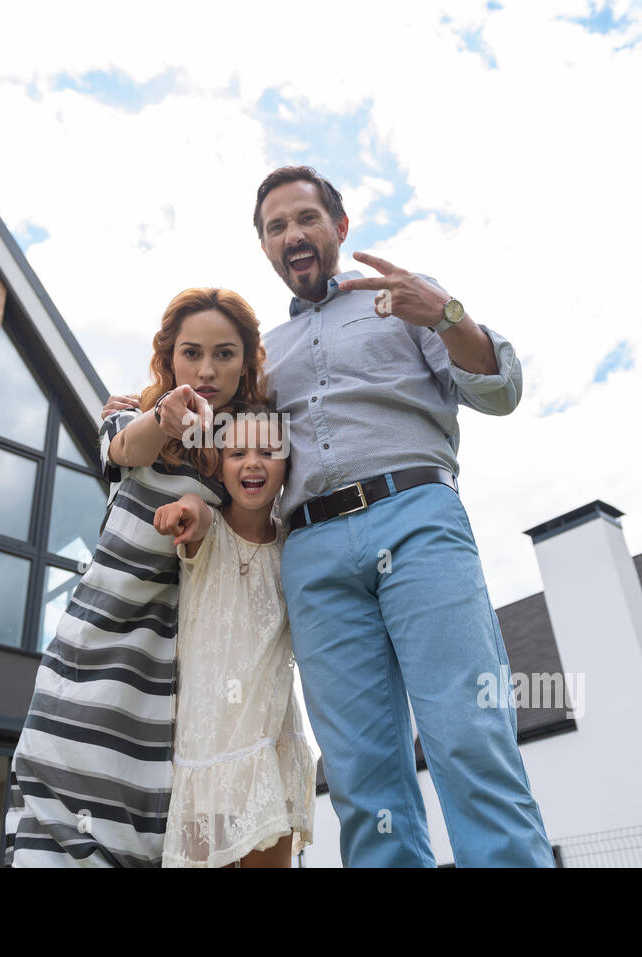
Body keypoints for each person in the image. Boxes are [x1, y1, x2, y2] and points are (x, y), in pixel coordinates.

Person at [102, 165, 554, 867]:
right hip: (309, 549)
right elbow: (213, 426)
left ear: (338, 228)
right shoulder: (265, 357)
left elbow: (501, 390)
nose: (293, 234)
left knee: (466, 728)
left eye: (306, 218)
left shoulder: (405, 305)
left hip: (415, 516)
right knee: (359, 768)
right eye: (276, 226)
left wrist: (445, 312)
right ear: (266, 248)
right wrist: (133, 406)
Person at [5, 287, 269, 867]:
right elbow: (125, 449)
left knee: (140, 831)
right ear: (169, 357)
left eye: (225, 354)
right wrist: (164, 416)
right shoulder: (130, 417)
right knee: (50, 818)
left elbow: (252, 532)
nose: (206, 369)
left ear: (248, 361)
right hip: (87, 650)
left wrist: (205, 510)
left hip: (171, 667)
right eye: (191, 353)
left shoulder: (248, 451)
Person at [152, 403, 316, 868]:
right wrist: (179, 511)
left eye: (269, 451)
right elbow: (194, 513)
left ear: (288, 464)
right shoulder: (209, 526)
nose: (252, 462)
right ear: (219, 466)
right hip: (206, 747)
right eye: (237, 452)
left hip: (270, 743)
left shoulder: (295, 545)